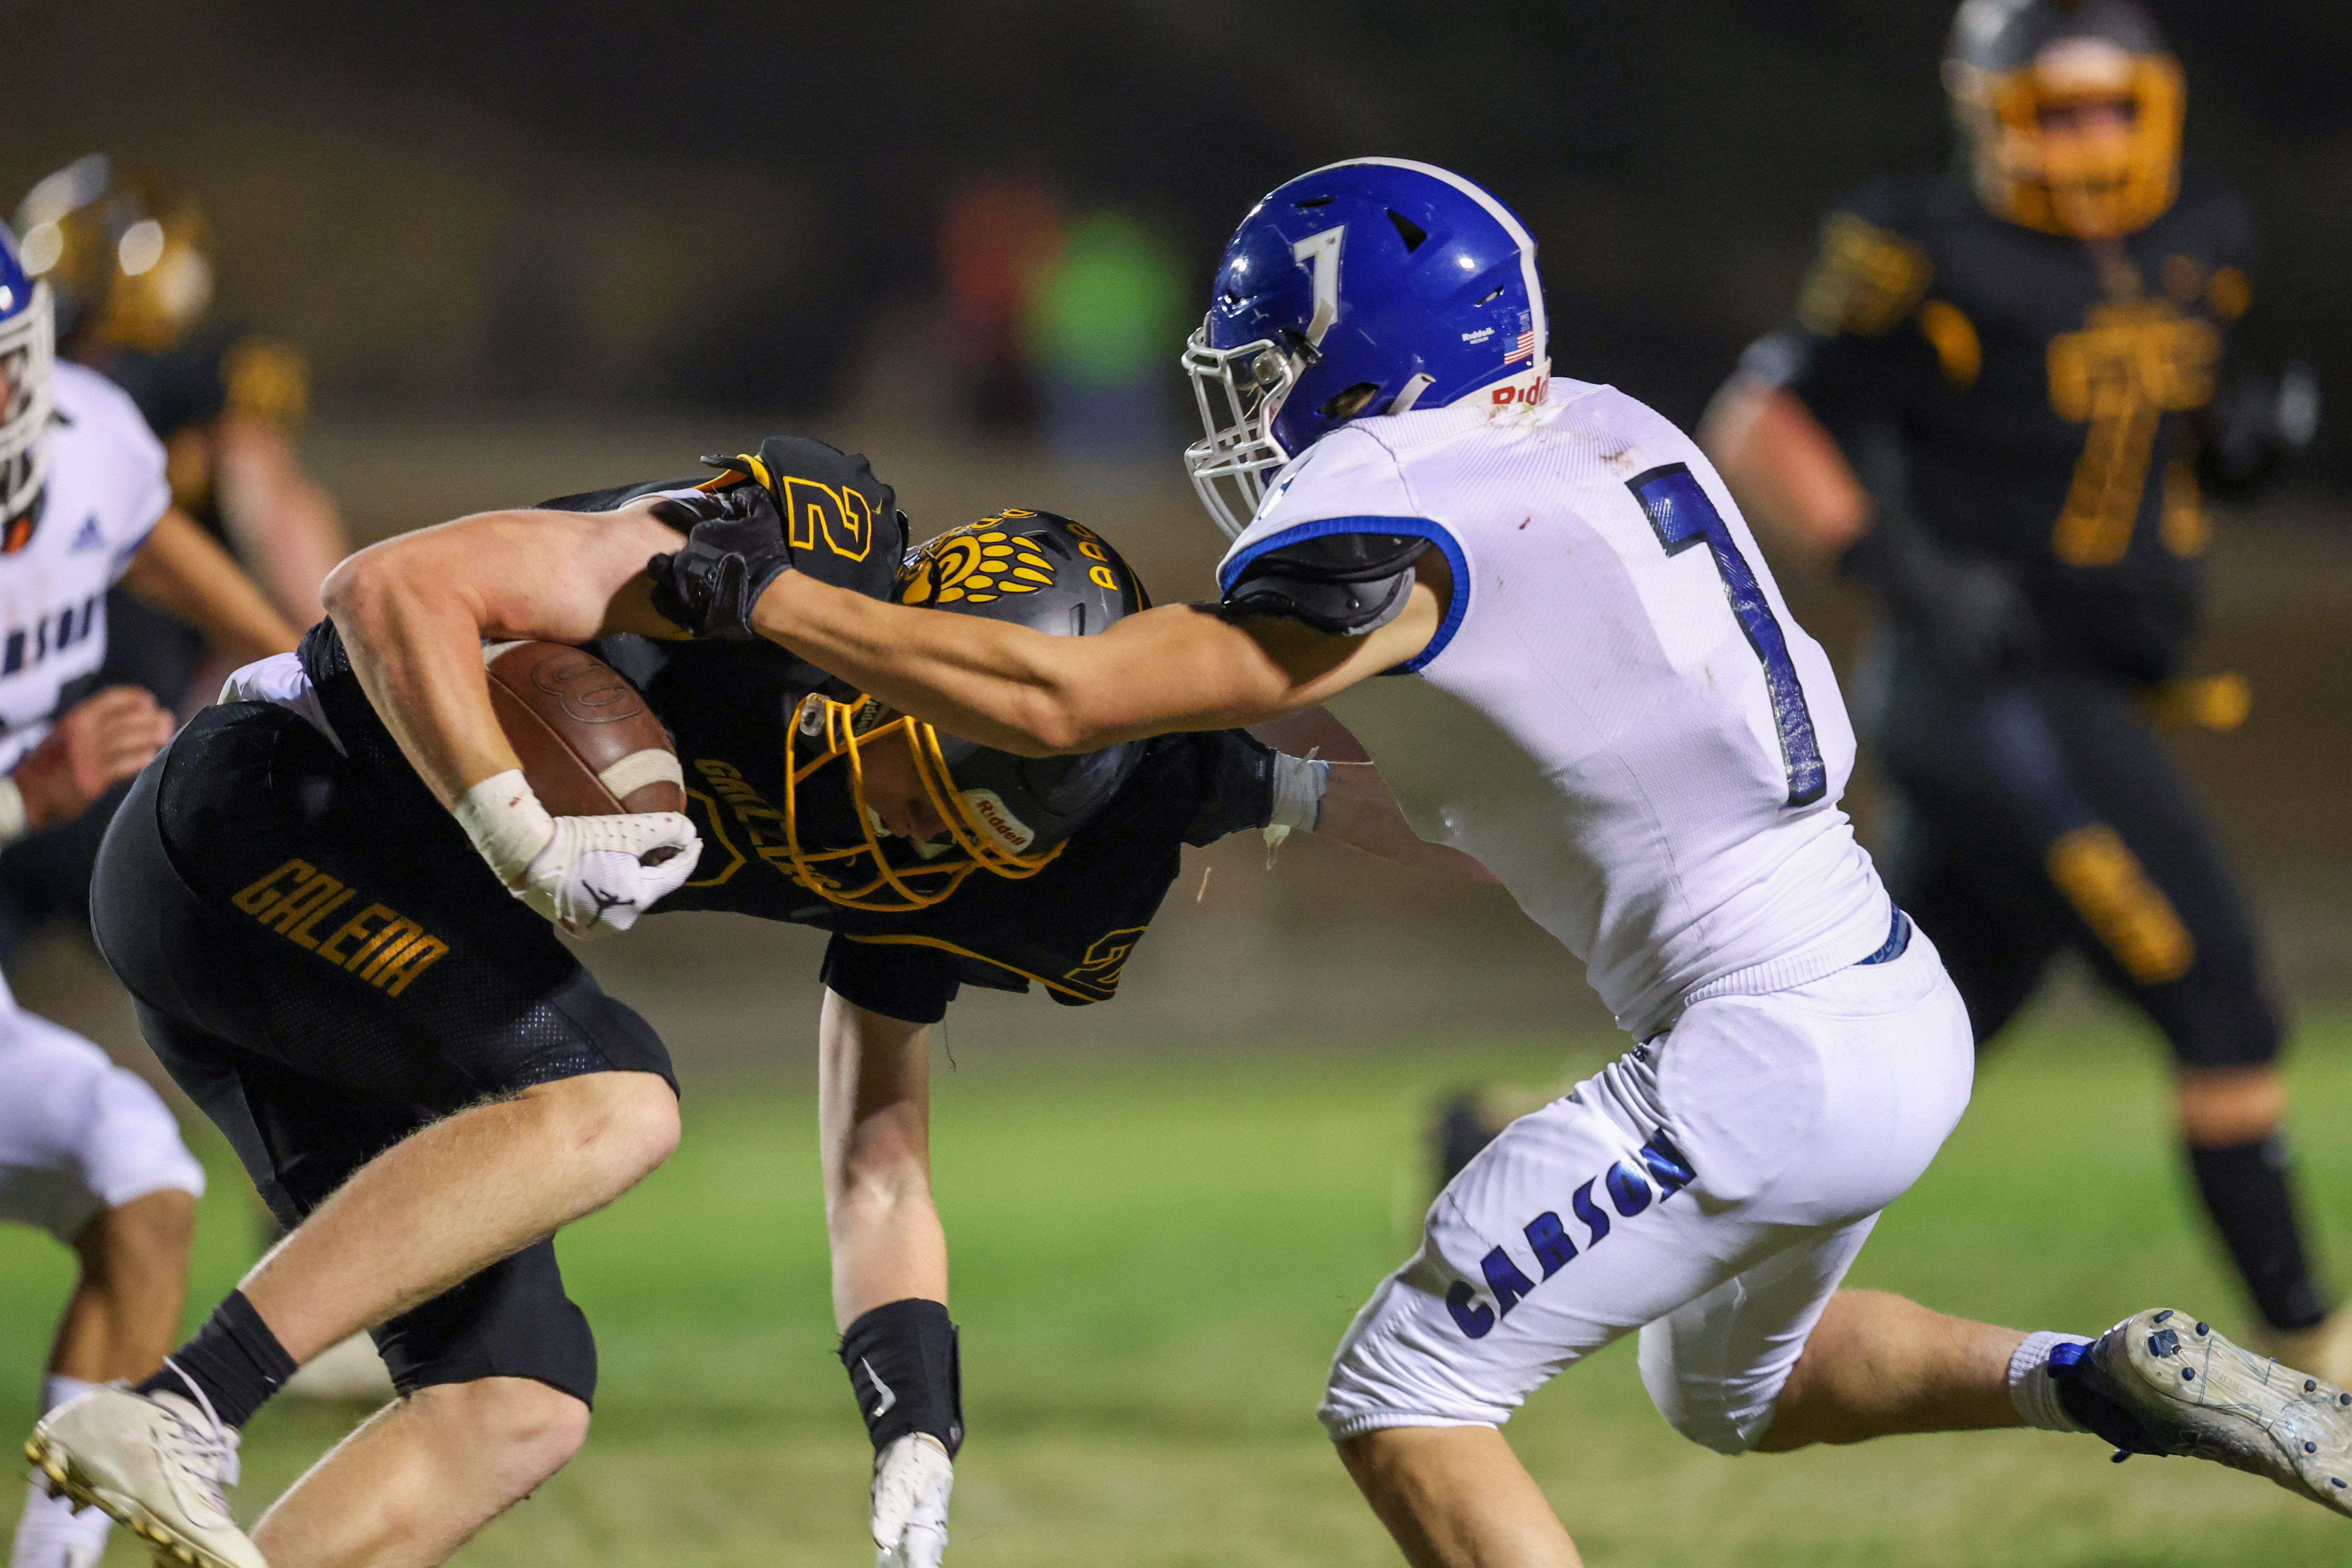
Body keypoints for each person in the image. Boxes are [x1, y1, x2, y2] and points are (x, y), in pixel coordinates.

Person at [644, 157, 2352, 1563]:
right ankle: (2107, 1377)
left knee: (1402, 1390)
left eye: (1269, 358)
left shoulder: (1403, 501)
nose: (1253, 402)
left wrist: (774, 602)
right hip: (1883, 987)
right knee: (1732, 1393)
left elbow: (1059, 688)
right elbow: (1502, 732)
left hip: (1760, 1036)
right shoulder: (1605, 426)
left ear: (1362, 356)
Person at [24, 437, 1446, 1568]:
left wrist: (917, 1422)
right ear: (898, 684)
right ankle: (181, 1409)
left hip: (345, 961)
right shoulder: (750, 571)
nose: (926, 848)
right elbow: (384, 587)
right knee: (615, 1100)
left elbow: (880, 1168)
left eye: (980, 842)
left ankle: (188, 1459)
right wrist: (512, 820)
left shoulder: (991, 845)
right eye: (936, 798)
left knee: (511, 1410)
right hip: (261, 808)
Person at [1697, 0, 2340, 1382]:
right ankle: (2322, 1355)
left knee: (1912, 1047)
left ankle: (1556, 1162)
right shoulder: (1926, 245)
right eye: (2061, 110)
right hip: (1989, 694)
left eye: (2116, 109)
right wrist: (1899, 569)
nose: (2094, 140)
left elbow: (2160, 448)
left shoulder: (2199, 238)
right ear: (1992, 114)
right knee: (2218, 995)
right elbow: (1765, 416)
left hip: (2090, 683)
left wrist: (2235, 454)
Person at [0, 220, 298, 1568]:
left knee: (140, 1175)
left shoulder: (90, 437)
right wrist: (29, 795)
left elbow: (136, 526)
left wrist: (284, 652)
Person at [0, 155, 349, 956]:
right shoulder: (121, 404)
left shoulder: (117, 413)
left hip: (121, 719)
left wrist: (312, 662)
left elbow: (180, 532)